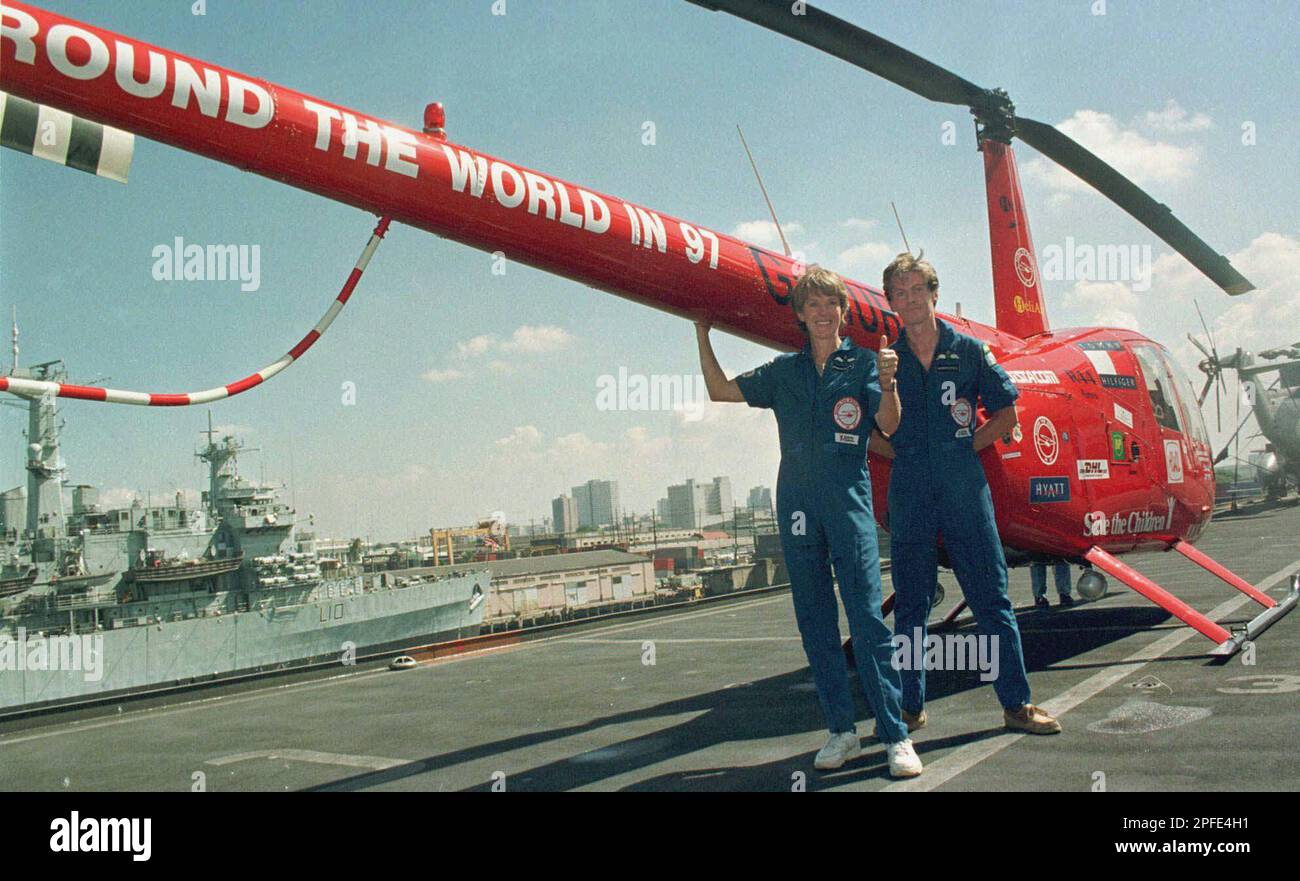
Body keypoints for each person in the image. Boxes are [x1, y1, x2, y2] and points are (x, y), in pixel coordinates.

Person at [695, 266, 923, 778]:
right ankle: (841, 731)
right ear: (800, 314)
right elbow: (719, 391)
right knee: (816, 623)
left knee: (867, 621)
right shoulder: (783, 372)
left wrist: (889, 384)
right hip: (797, 509)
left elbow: (890, 424)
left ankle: (895, 736)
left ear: (843, 312)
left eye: (831, 304)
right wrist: (702, 333)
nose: (823, 313)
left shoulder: (864, 364)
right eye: (813, 305)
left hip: (848, 505)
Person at [874, 252, 1060, 735]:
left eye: (918, 290)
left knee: (991, 598)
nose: (910, 300)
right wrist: (910, 453)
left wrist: (960, 449)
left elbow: (1007, 415)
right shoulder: (885, 363)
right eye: (900, 293)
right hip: (911, 491)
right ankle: (910, 708)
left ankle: (1016, 705)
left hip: (963, 488)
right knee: (912, 604)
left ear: (934, 295)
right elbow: (869, 431)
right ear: (891, 301)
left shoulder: (970, 351)